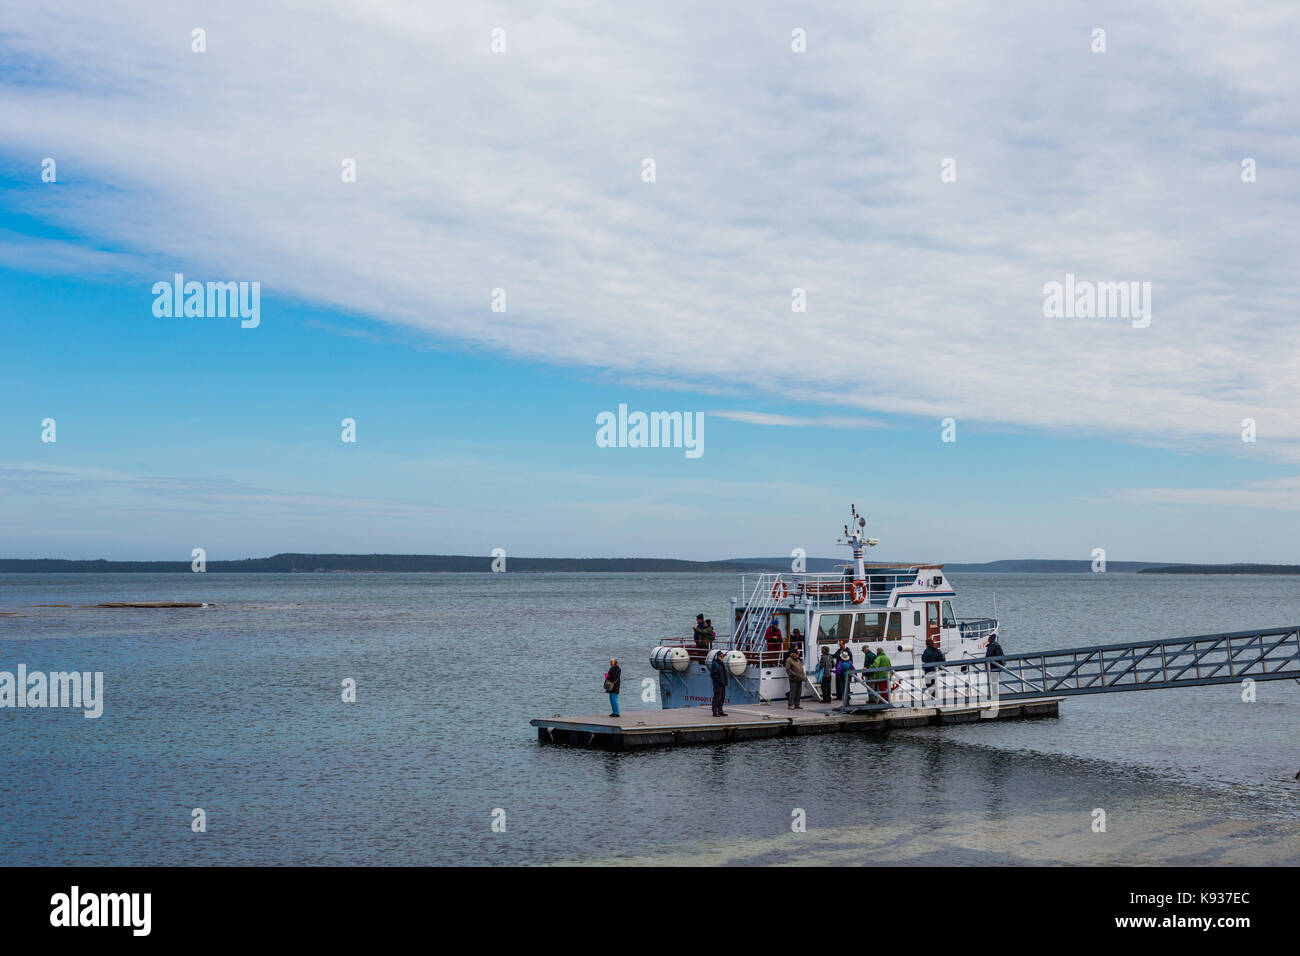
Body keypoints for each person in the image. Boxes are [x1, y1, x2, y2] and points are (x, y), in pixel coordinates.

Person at [708, 650, 729, 717]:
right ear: (718, 656)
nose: (722, 657)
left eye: (722, 656)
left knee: (722, 698)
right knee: (717, 698)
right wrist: (719, 681)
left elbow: (724, 674)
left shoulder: (721, 663)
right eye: (721, 656)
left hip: (722, 684)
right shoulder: (715, 663)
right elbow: (713, 675)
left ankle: (720, 710)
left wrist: (725, 682)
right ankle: (714, 712)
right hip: (717, 684)